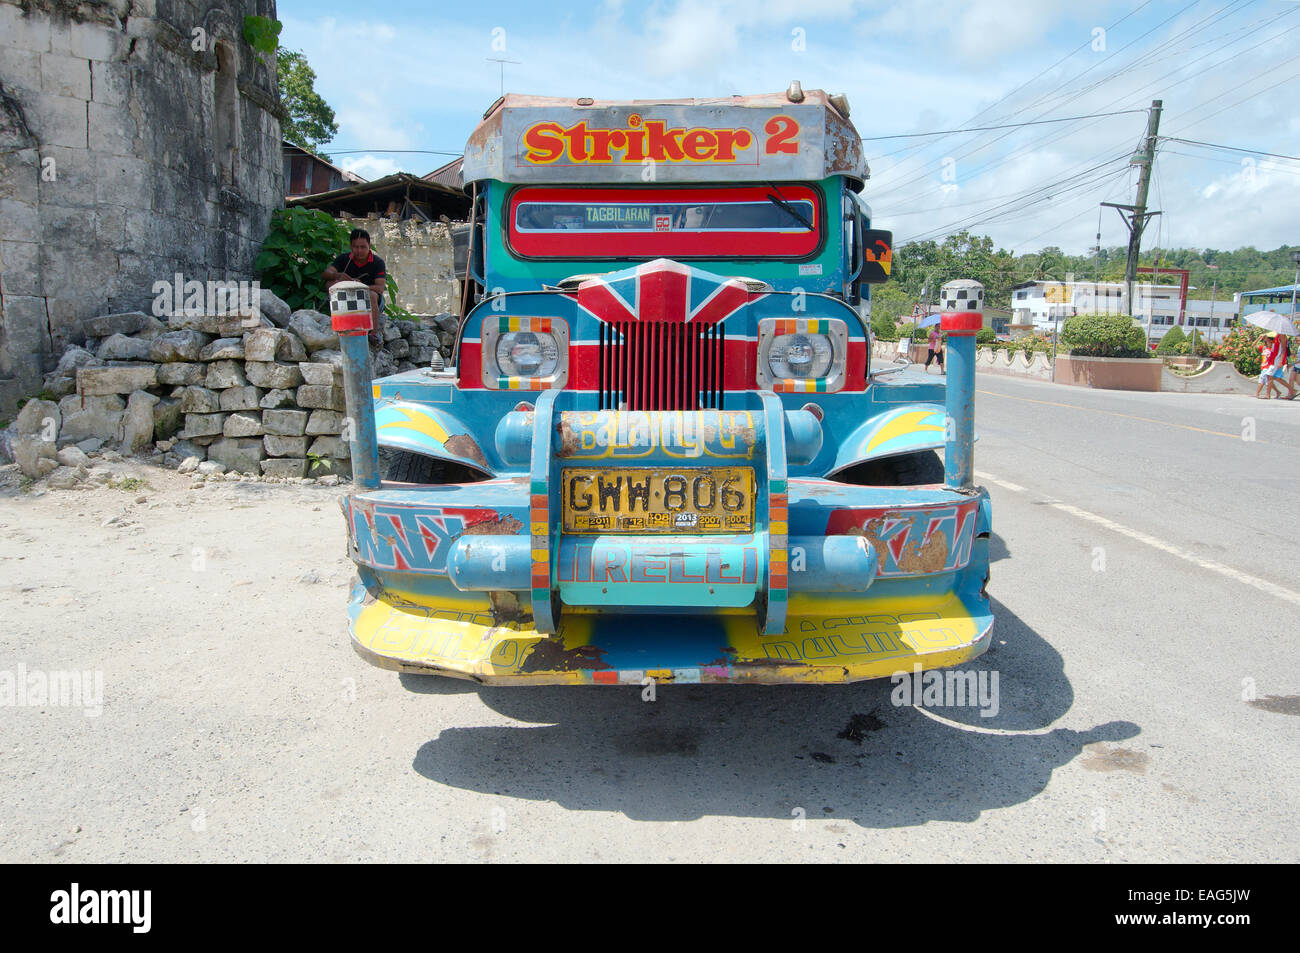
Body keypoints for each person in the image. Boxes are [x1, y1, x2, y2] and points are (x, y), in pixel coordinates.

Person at [323, 229, 386, 324]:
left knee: (372, 295)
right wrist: (336, 275)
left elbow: (380, 288)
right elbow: (325, 274)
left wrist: (359, 286)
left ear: (369, 246)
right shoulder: (344, 258)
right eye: (356, 247)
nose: (359, 251)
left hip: (371, 300)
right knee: (330, 283)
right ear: (351, 247)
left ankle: (373, 333)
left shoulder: (378, 263)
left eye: (363, 247)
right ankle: (338, 321)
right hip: (347, 298)